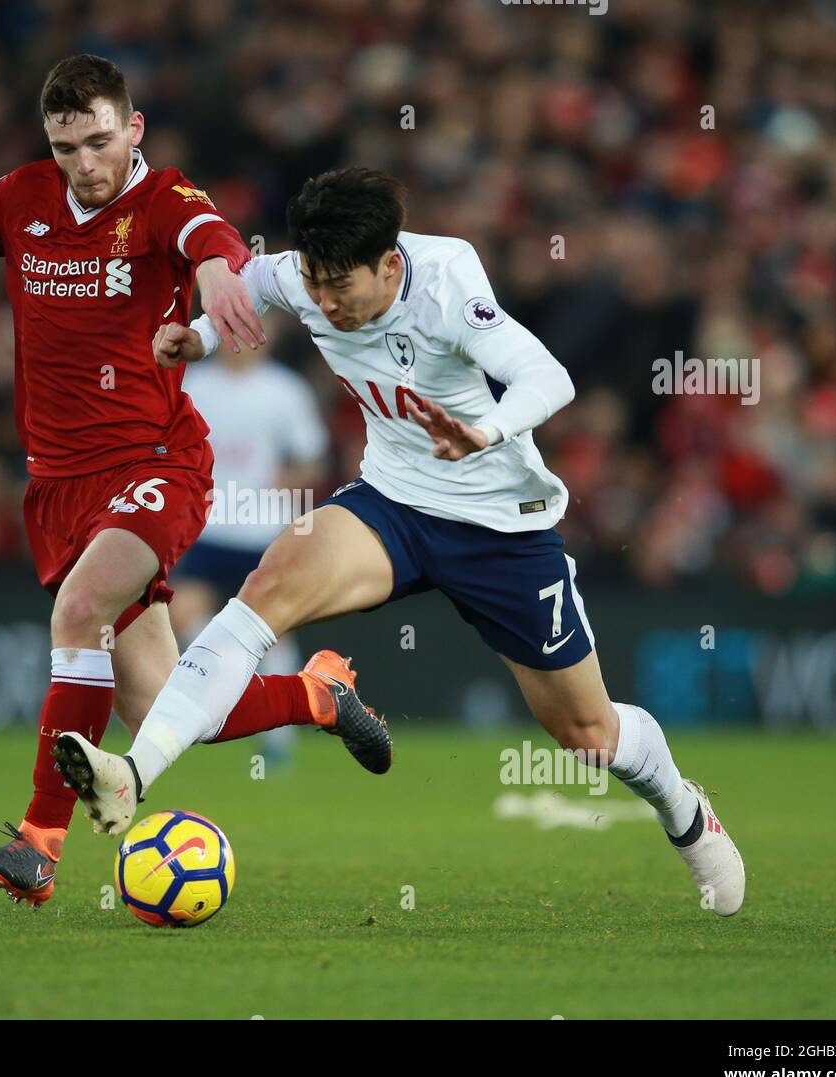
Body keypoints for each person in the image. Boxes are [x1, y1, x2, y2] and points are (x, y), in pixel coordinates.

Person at [0, 59, 390, 910]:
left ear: (134, 129)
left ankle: (38, 846)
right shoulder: (18, 200)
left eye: (98, 141)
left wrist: (222, 273)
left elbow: (213, 241)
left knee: (77, 613)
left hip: (156, 463)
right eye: (65, 146)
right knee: (162, 703)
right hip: (57, 485)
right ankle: (318, 692)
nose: (84, 162)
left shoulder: (164, 203)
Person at [52, 167, 746, 917]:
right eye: (314, 283)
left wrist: (485, 431)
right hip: (393, 502)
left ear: (389, 265)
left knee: (587, 731)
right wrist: (204, 335)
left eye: (339, 288)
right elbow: (250, 287)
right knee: (266, 591)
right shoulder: (303, 273)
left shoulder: (448, 283)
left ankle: (683, 808)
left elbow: (548, 376)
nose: (323, 302)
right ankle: (134, 771)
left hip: (499, 527)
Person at [170, 329, 330, 766]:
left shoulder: (286, 391)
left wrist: (284, 483)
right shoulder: (194, 385)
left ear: (267, 339)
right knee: (184, 613)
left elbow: (313, 460)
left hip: (262, 530)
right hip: (204, 526)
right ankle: (221, 706)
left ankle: (279, 737)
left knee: (272, 631)